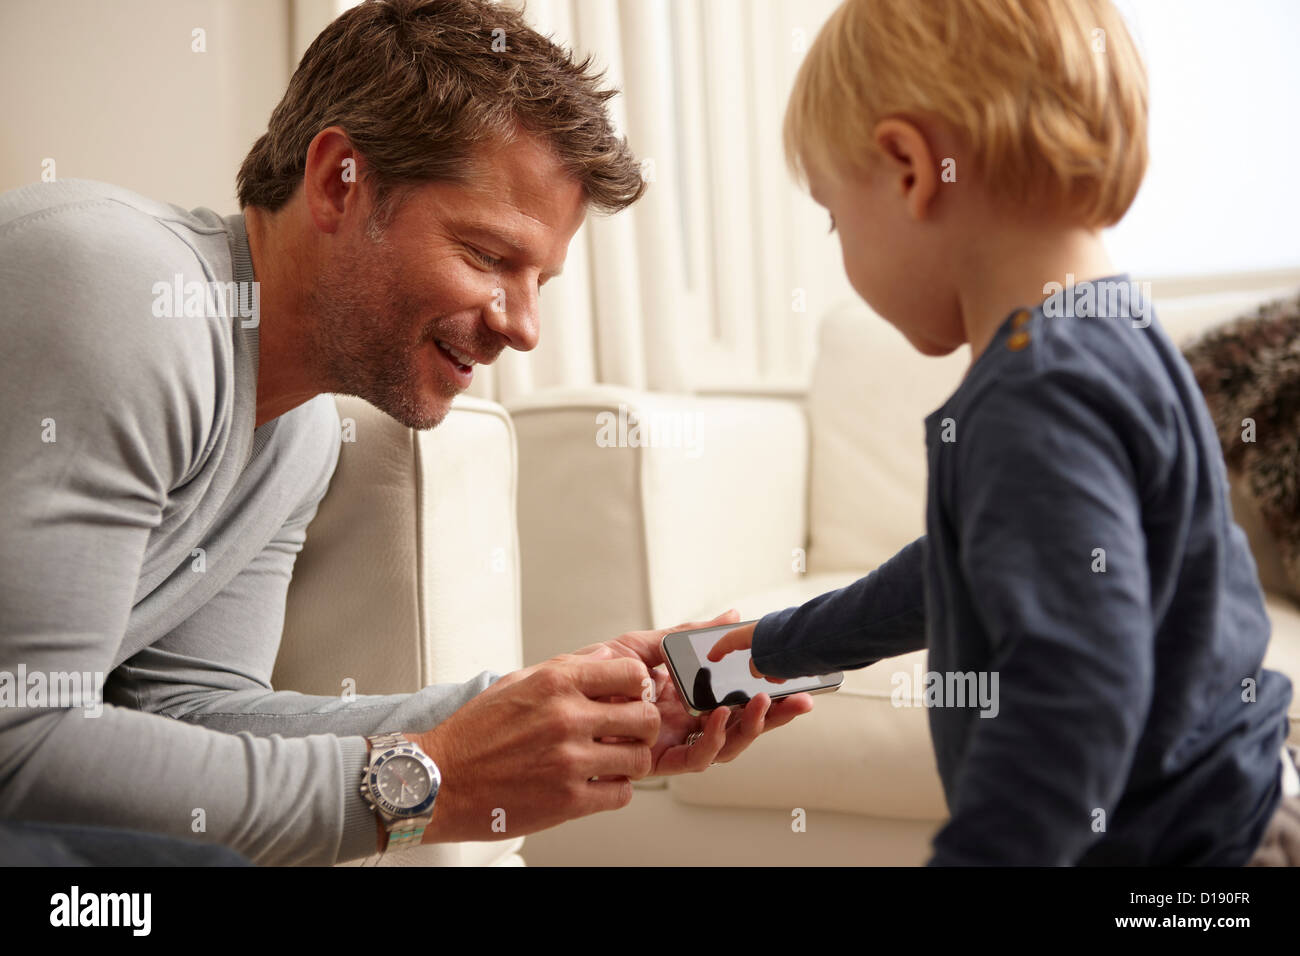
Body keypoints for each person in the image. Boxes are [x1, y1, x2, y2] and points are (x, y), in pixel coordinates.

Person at [0, 0, 813, 866]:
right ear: (339, 180)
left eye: (541, 278)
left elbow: (186, 711)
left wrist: (535, 718)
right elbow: (22, 743)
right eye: (490, 256)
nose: (524, 326)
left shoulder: (300, 432)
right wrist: (436, 779)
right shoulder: (126, 295)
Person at [708, 0, 1297, 866]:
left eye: (835, 216)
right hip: (1238, 813)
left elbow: (1076, 695)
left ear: (910, 169)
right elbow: (962, 573)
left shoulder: (1037, 392)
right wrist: (777, 647)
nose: (840, 244)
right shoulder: (1116, 335)